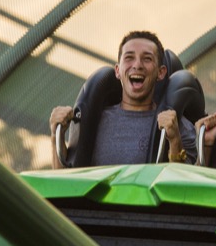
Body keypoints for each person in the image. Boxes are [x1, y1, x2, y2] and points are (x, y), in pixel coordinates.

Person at [49, 30, 196, 168]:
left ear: (161, 72)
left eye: (147, 59)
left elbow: (187, 188)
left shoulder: (176, 125)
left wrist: (175, 141)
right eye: (129, 58)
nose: (137, 65)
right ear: (118, 71)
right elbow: (63, 184)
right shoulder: (93, 121)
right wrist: (57, 134)